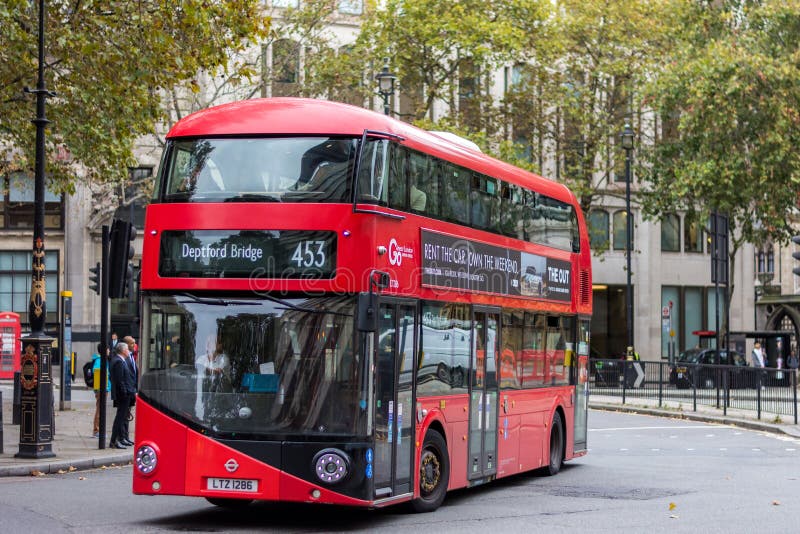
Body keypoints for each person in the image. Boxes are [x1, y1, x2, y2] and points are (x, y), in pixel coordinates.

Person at [109, 342, 137, 449]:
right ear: (122, 350)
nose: (128, 351)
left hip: (125, 394)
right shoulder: (118, 362)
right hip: (123, 396)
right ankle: (114, 441)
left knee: (121, 418)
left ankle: (118, 440)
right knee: (119, 419)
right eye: (126, 349)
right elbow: (120, 381)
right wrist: (125, 393)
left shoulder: (120, 360)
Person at [91, 344, 111, 438]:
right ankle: (96, 430)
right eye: (107, 349)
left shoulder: (103, 360)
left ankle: (98, 430)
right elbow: (97, 372)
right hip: (101, 388)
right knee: (100, 410)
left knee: (100, 409)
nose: (109, 351)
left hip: (103, 388)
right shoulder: (100, 360)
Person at [122, 335, 139, 442]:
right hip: (127, 391)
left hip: (132, 390)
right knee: (124, 415)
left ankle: (126, 437)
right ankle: (122, 437)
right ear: (127, 345)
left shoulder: (131, 356)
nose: (134, 345)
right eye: (132, 343)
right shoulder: (125, 358)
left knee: (127, 415)